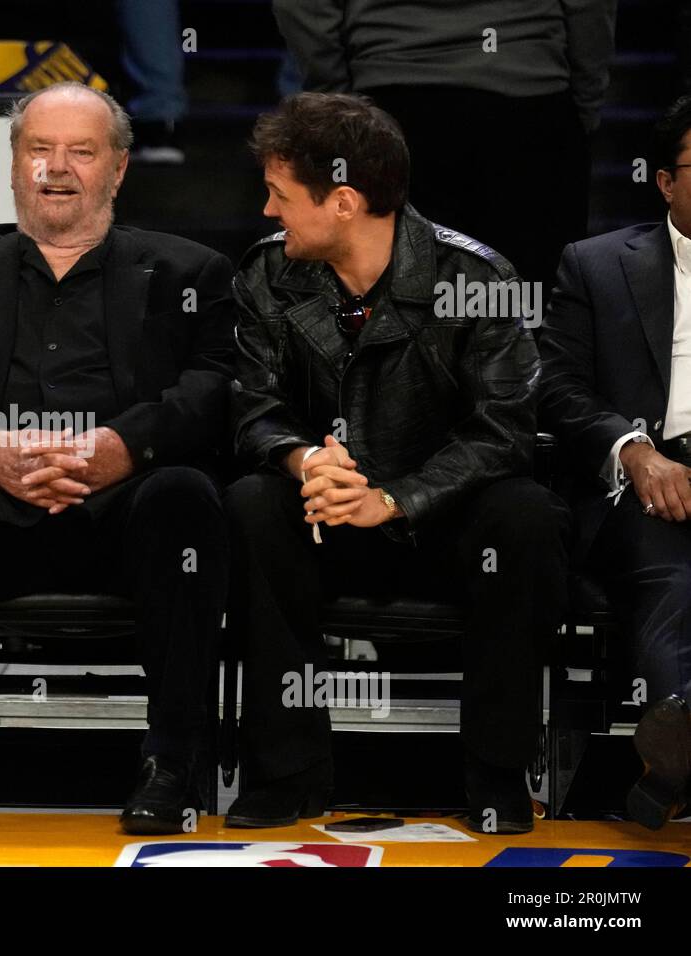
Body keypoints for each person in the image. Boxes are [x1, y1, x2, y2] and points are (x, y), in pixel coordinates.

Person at [0, 81, 233, 837]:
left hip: (122, 516)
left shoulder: (191, 273)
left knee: (185, 494)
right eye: (39, 150)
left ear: (118, 170)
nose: (56, 168)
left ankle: (171, 759)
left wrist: (122, 448)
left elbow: (216, 386)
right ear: (15, 164)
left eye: (81, 153)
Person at [225, 92, 570, 834]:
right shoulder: (265, 277)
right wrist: (307, 458)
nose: (266, 211)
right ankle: (287, 772)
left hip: (440, 528)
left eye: (280, 195)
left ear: (343, 200)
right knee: (253, 503)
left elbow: (505, 431)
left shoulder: (473, 276)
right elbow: (253, 406)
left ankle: (496, 772)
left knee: (526, 515)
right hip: (321, 522)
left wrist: (397, 498)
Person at [538, 94, 691, 831]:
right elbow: (556, 387)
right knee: (670, 568)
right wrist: (633, 451)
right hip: (646, 478)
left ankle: (673, 758)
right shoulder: (597, 266)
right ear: (665, 181)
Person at [272, 0, 615, 289]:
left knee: (398, 321)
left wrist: (343, 105)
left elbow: (304, 9)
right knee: (529, 313)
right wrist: (582, 100)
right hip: (530, 99)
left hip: (390, 101)